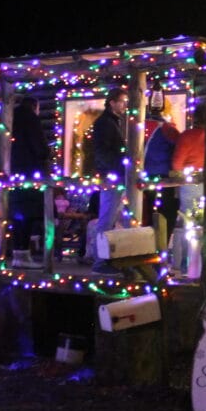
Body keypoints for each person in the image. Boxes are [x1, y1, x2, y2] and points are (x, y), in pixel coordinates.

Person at [90, 86, 130, 273]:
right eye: (121, 101)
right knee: (107, 219)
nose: (124, 105)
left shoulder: (112, 122)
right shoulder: (106, 123)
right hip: (113, 175)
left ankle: (116, 258)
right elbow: (104, 151)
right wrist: (113, 168)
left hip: (116, 173)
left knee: (117, 218)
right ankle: (100, 262)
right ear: (112, 102)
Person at [8, 95, 52, 262]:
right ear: (35, 106)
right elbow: (40, 147)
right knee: (27, 215)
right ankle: (23, 254)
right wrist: (47, 154)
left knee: (18, 216)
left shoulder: (11, 118)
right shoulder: (31, 119)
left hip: (13, 173)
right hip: (30, 172)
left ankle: (18, 253)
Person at [141, 105, 181, 240]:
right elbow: (179, 147)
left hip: (146, 177)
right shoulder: (167, 129)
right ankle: (161, 245)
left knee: (150, 213)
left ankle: (150, 245)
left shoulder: (138, 128)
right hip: (164, 177)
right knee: (167, 212)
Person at [171, 103, 206, 224]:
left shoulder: (187, 136)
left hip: (190, 181)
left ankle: (186, 243)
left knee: (188, 217)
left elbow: (177, 163)